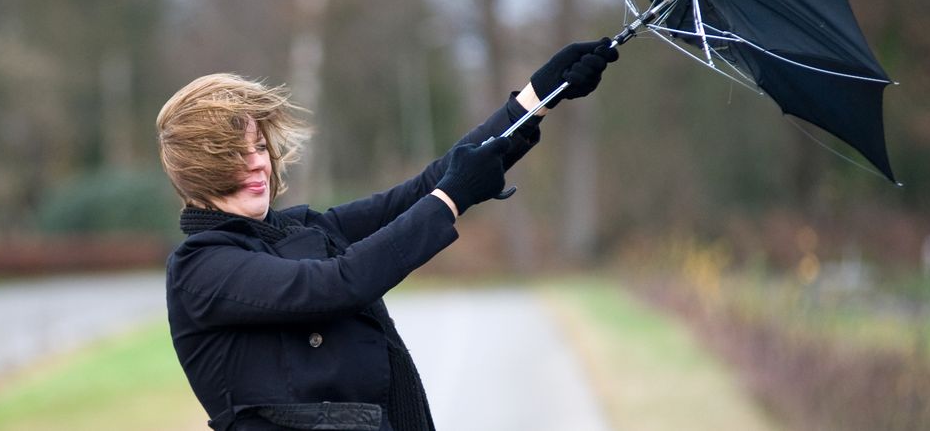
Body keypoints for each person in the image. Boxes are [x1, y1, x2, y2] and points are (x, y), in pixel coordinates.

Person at [157, 39, 619, 431]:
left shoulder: (300, 228)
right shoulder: (201, 269)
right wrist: (450, 201)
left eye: (259, 146)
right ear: (201, 169)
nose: (258, 162)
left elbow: (423, 188)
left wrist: (534, 100)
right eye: (235, 154)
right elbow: (335, 285)